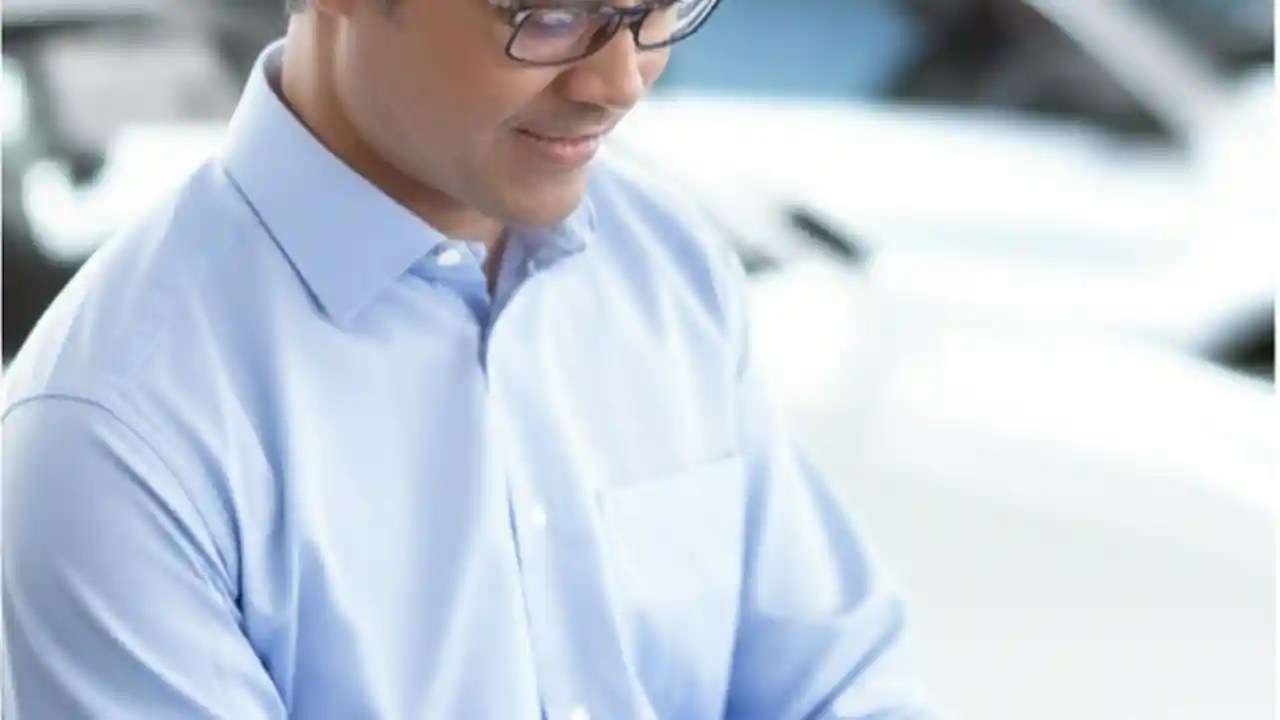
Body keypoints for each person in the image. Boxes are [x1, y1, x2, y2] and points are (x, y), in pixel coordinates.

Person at [2, 0, 937, 717]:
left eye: (657, 5)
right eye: (551, 15)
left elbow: (838, 684)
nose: (623, 79)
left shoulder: (669, 264)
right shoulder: (110, 431)